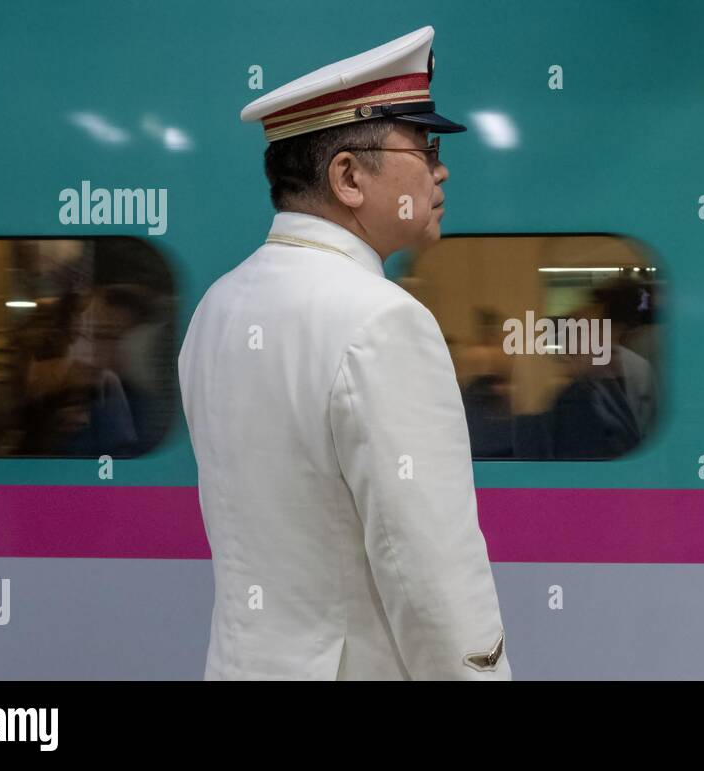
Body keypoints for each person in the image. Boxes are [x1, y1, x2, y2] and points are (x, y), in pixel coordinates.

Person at [178, 26, 509, 680]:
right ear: (349, 176)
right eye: (423, 145)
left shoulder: (217, 308)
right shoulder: (382, 321)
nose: (440, 168)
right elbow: (430, 572)